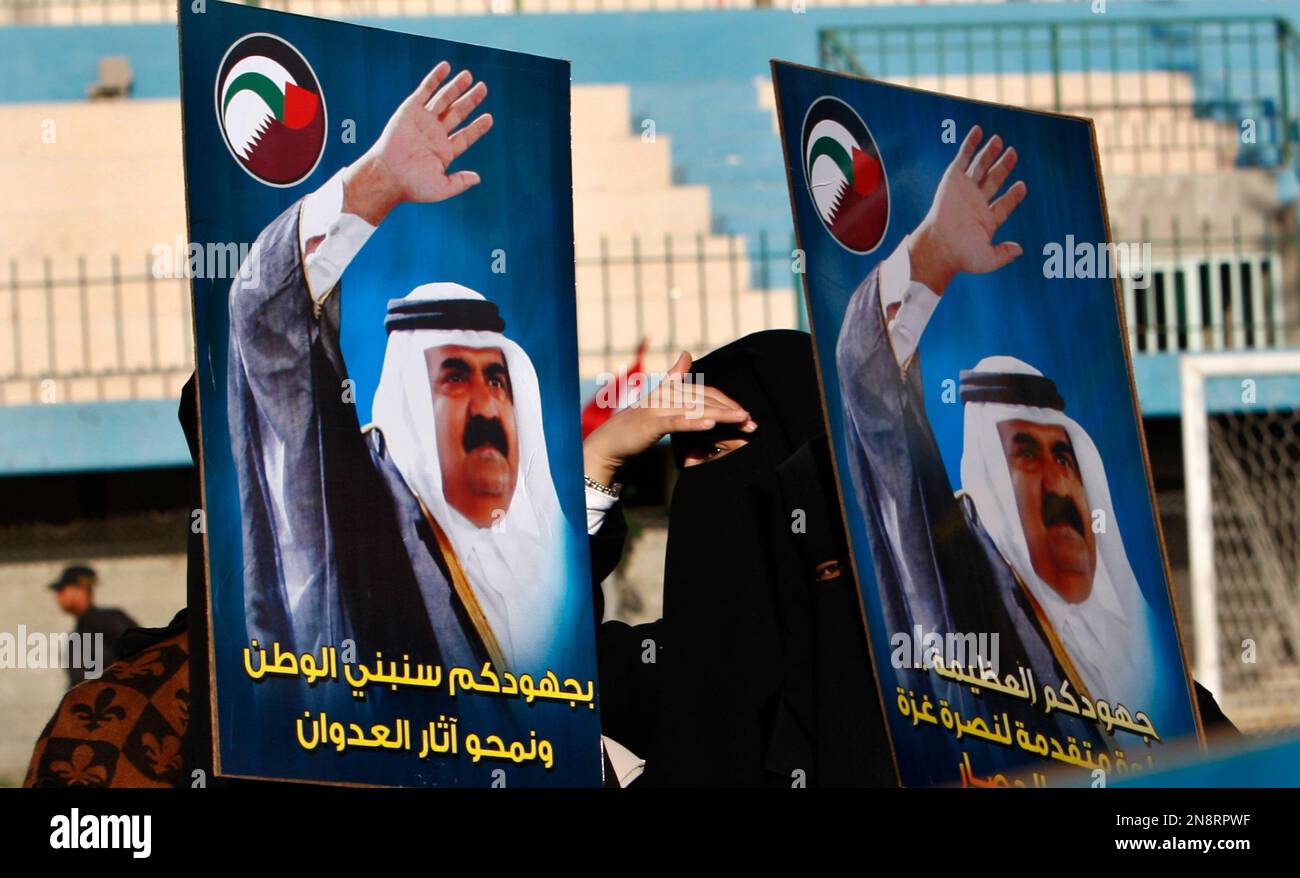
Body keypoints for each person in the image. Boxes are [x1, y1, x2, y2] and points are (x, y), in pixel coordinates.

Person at [228, 60, 569, 673]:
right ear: (412, 400)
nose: (489, 405)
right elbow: (263, 315)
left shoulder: (552, 551)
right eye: (455, 377)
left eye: (498, 379)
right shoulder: (356, 508)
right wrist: (377, 181)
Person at [835, 124, 1166, 729]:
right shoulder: (966, 574)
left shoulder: (1149, 660)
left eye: (1064, 458)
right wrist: (932, 252)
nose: (1059, 484)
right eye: (1027, 455)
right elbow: (872, 396)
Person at [48, 564, 138, 688]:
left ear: (78, 590)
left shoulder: (107, 620)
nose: (58, 596)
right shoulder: (81, 630)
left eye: (62, 589)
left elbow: (141, 650)